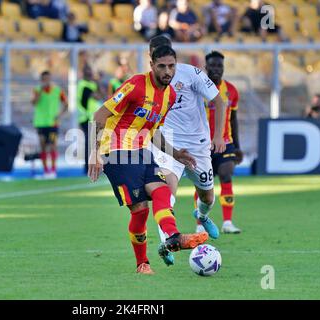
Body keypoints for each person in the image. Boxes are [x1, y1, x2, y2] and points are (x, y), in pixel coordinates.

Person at [88, 45, 209, 275]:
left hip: (143, 151)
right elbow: (99, 115)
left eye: (171, 66)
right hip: (117, 151)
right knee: (141, 210)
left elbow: (153, 131)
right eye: (161, 66)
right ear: (152, 65)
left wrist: (176, 153)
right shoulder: (135, 85)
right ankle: (142, 263)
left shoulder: (170, 95)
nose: (167, 71)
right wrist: (94, 152)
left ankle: (173, 238)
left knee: (162, 191)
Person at [147, 36, 226, 266]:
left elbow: (219, 102)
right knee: (165, 193)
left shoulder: (191, 74)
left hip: (197, 145)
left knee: (208, 197)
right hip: (168, 144)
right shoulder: (146, 83)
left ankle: (201, 215)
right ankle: (168, 242)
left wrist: (218, 135)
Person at [195, 51, 242, 234]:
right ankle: (200, 223)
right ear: (206, 68)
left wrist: (237, 146)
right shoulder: (198, 89)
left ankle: (227, 222)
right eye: (212, 65)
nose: (216, 69)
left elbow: (234, 119)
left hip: (225, 142)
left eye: (219, 66)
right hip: (202, 144)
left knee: (226, 174)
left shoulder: (231, 90)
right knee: (203, 183)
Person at [31, 70, 68, 178]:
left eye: (48, 79)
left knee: (52, 146)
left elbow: (66, 104)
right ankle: (45, 170)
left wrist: (59, 115)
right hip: (41, 123)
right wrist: (40, 92)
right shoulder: (37, 90)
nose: (46, 81)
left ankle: (53, 170)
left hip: (53, 123)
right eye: (44, 79)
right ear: (41, 80)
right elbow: (34, 102)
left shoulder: (57, 90)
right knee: (43, 146)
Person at [77, 65, 101, 174]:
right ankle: (88, 167)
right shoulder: (84, 85)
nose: (90, 74)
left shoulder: (90, 84)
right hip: (86, 117)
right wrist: (98, 82)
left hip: (90, 117)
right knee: (91, 143)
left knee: (93, 143)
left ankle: (91, 166)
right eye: (88, 71)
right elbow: (97, 96)